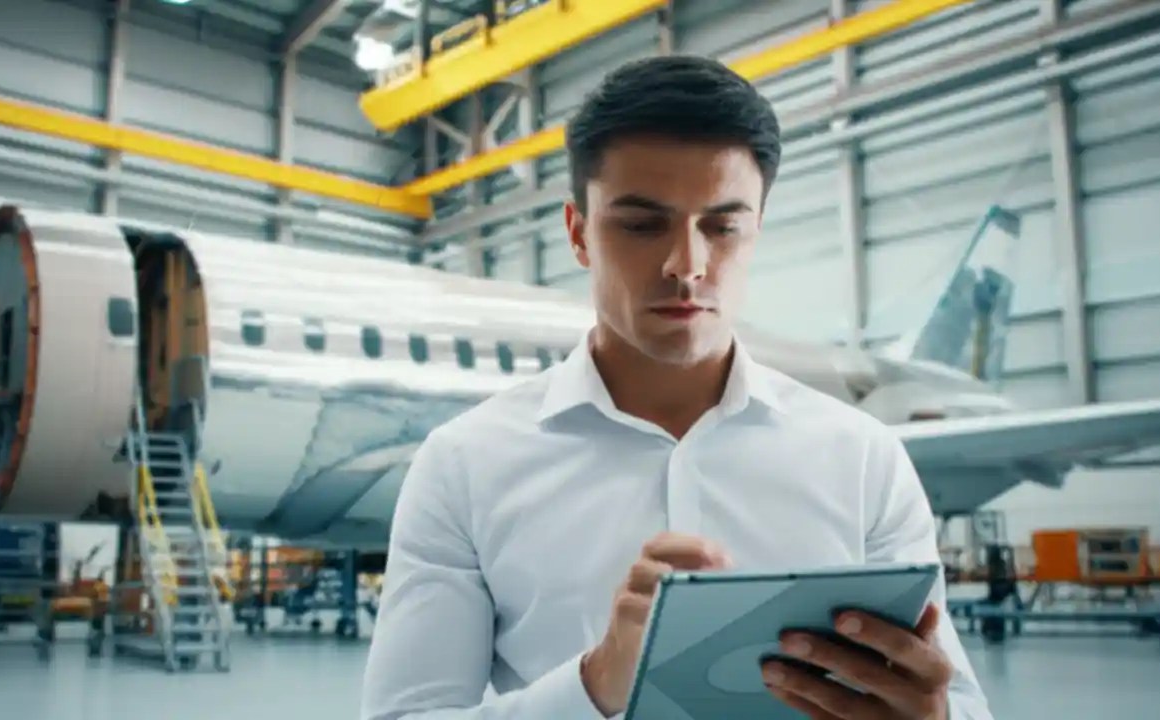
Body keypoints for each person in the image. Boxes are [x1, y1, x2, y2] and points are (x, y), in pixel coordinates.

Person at [360, 55, 992, 720]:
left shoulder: (864, 458)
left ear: (755, 233)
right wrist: (594, 683)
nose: (686, 265)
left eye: (722, 226)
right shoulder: (464, 464)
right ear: (579, 234)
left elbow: (960, 702)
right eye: (640, 224)